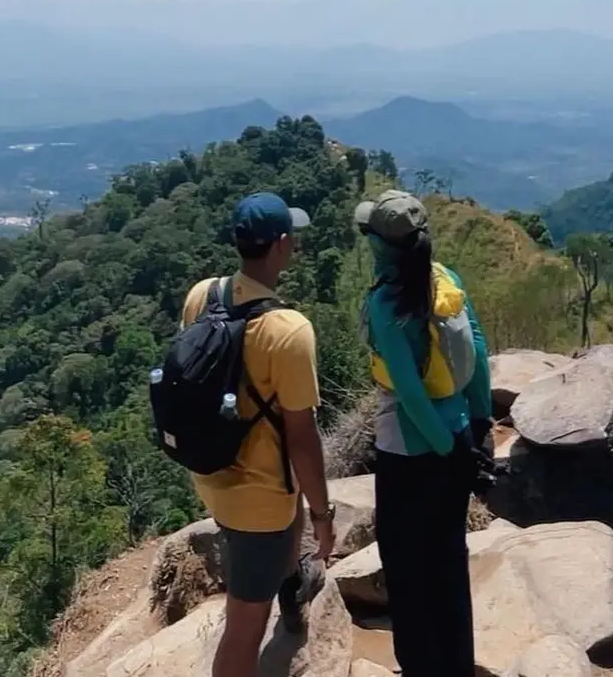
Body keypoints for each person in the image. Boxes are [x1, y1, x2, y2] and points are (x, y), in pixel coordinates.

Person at [179, 191, 337, 677]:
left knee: (277, 543)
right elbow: (303, 437)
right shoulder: (288, 331)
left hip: (210, 473)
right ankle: (280, 590)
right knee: (244, 628)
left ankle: (289, 587)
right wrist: (323, 514)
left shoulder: (202, 295)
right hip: (259, 501)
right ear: (282, 245)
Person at [353, 190, 494, 677]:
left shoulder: (386, 304)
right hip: (457, 436)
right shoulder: (446, 281)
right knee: (449, 566)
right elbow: (477, 351)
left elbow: (410, 395)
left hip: (409, 455)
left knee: (408, 575)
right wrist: (479, 430)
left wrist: (444, 449)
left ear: (381, 247)